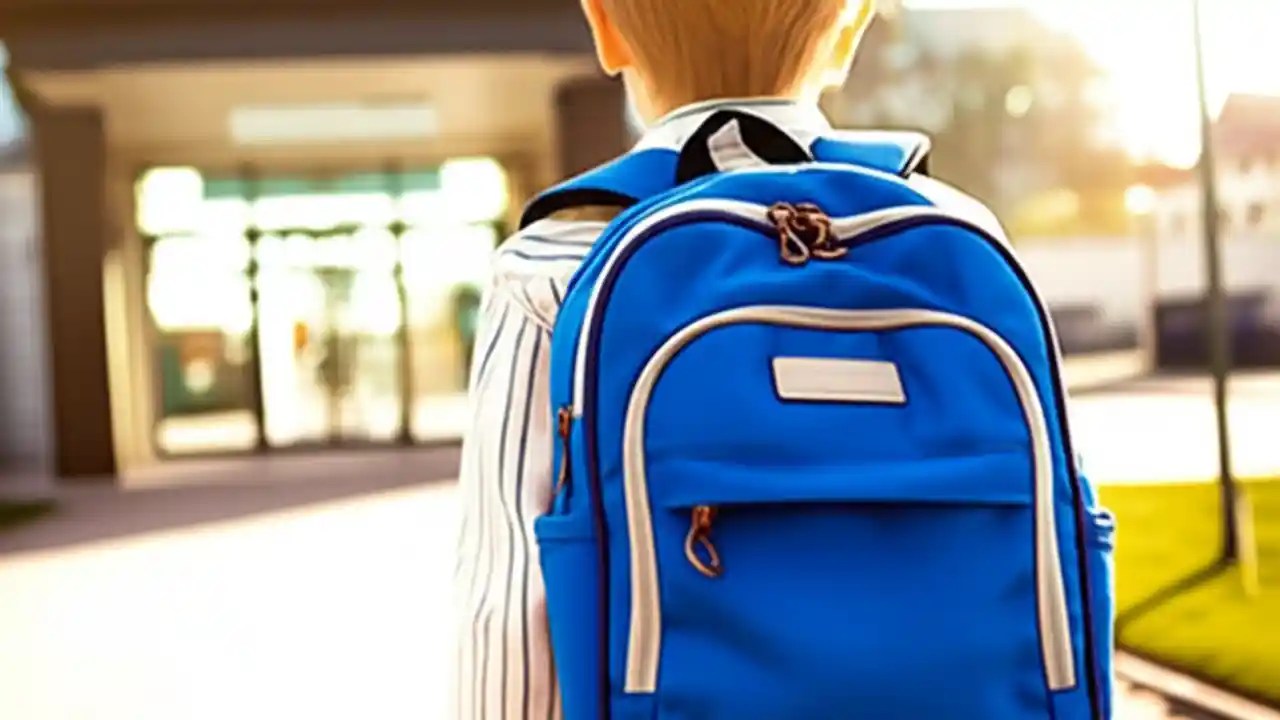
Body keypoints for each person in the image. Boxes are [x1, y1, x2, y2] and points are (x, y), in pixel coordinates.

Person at [451, 1, 1002, 718]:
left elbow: (509, 602)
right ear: (851, 30)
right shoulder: (963, 240)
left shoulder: (551, 267)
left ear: (605, 28)